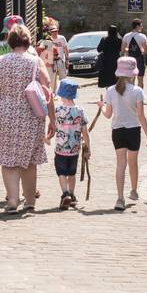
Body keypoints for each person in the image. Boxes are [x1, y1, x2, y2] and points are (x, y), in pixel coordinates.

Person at [0, 23, 51, 214]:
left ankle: (12, 200)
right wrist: (53, 119)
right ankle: (30, 201)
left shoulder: (0, 61)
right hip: (30, 114)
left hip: (5, 112)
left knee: (8, 160)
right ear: (27, 42)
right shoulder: (35, 61)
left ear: (10, 42)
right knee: (30, 160)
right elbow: (47, 88)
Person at [102, 57, 147, 211]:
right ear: (132, 74)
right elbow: (141, 115)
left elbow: (107, 115)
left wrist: (101, 106)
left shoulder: (110, 91)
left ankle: (119, 198)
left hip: (117, 131)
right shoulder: (137, 91)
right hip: (133, 130)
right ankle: (134, 190)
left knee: (120, 164)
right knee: (133, 162)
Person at [47, 78, 91, 209]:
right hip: (74, 149)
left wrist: (48, 137)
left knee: (61, 172)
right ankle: (72, 194)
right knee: (72, 173)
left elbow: (53, 128)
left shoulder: (58, 110)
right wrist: (88, 149)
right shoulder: (80, 111)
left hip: (61, 148)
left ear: (61, 94)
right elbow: (85, 132)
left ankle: (65, 193)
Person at [121, 19, 147, 88]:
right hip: (139, 59)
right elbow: (146, 50)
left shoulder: (126, 36)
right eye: (141, 26)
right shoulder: (142, 36)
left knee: (131, 79)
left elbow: (122, 50)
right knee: (140, 80)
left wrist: (128, 50)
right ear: (137, 26)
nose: (142, 27)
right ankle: (139, 96)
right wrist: (142, 51)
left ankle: (132, 96)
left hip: (129, 59)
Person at [96, 25, 122, 90]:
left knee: (107, 80)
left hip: (106, 61)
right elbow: (121, 49)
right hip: (116, 61)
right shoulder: (119, 40)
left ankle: (108, 95)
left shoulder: (104, 39)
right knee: (115, 78)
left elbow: (99, 49)